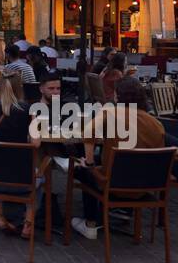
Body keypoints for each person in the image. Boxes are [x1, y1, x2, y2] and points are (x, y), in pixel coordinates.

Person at [69, 77, 166, 241]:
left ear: (117, 96)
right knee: (108, 162)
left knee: (81, 168)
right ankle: (114, 214)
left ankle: (91, 223)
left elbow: (87, 134)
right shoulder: (157, 124)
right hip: (144, 186)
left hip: (113, 185)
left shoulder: (111, 113)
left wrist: (90, 164)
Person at [0, 74, 43, 236]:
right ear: (19, 89)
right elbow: (36, 144)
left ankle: (0, 217)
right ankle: (28, 222)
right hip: (22, 181)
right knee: (41, 176)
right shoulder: (28, 110)